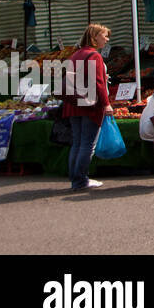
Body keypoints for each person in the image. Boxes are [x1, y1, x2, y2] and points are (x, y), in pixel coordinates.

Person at [63, 24, 112, 192]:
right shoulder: (94, 56)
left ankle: (75, 178)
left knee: (77, 143)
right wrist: (106, 104)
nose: (107, 39)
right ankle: (80, 180)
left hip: (73, 104)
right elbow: (98, 83)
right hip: (90, 105)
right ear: (94, 37)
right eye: (104, 35)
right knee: (87, 144)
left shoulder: (75, 55)